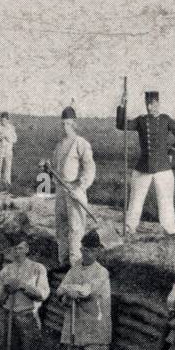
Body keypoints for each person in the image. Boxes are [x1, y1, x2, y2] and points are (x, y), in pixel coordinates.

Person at [57, 230, 113, 350]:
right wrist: (68, 291)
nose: (84, 253)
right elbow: (60, 290)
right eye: (82, 249)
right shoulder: (75, 268)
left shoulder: (101, 272)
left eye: (89, 250)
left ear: (97, 252)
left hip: (95, 330)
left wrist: (71, 290)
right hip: (75, 329)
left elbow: (87, 291)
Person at [117, 90, 175, 237]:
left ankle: (170, 230)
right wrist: (122, 104)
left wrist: (172, 152)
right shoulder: (141, 120)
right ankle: (129, 227)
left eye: (152, 104)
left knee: (165, 200)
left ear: (158, 103)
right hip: (143, 167)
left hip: (163, 168)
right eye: (147, 104)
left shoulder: (166, 119)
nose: (149, 107)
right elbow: (122, 125)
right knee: (135, 199)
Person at [50, 105, 97, 268]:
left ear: (74, 124)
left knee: (76, 228)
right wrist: (47, 168)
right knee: (61, 226)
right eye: (63, 124)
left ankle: (75, 264)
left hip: (75, 190)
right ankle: (63, 262)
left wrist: (81, 186)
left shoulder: (81, 143)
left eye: (68, 123)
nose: (65, 127)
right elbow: (55, 170)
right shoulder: (59, 145)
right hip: (61, 190)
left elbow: (89, 168)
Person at [0, 112, 18, 188]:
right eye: (2, 120)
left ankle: (7, 181)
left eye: (5, 120)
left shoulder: (11, 128)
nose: (3, 122)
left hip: (8, 150)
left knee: (8, 166)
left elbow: (15, 139)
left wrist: (8, 137)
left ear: (8, 120)